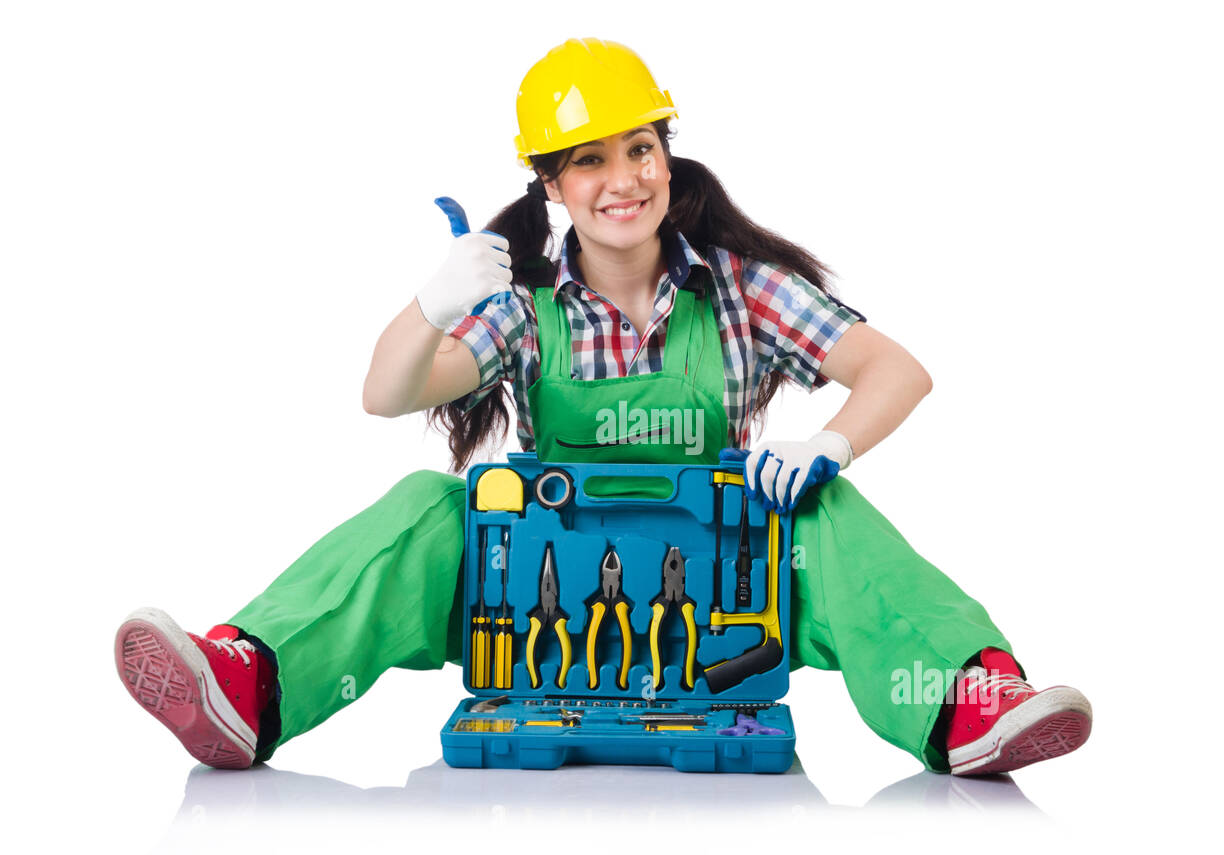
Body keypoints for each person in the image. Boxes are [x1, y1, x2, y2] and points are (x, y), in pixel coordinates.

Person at [115, 38, 1092, 777]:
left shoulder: (743, 292)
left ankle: (966, 700)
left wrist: (827, 443)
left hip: (731, 602)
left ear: (666, 157)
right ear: (549, 185)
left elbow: (898, 371)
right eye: (587, 161)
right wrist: (430, 306)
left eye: (639, 149)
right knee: (426, 504)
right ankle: (249, 680)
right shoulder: (523, 314)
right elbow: (386, 394)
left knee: (826, 517)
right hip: (532, 590)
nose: (622, 180)